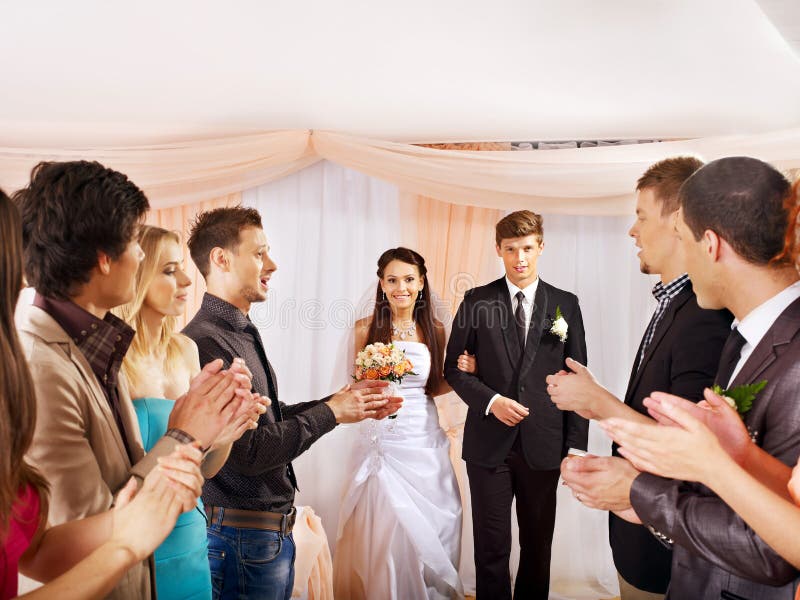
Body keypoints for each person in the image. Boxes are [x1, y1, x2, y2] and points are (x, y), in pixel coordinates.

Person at [562, 157, 800, 599]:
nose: (684, 259)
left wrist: (639, 493)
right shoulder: (741, 335)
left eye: (684, 240)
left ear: (709, 245)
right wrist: (738, 454)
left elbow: (775, 548)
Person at [14, 161, 248, 599]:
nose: (139, 257)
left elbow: (127, 479)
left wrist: (213, 430)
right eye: (134, 244)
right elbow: (87, 536)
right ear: (105, 258)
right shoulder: (41, 368)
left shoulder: (99, 344)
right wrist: (183, 434)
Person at [182, 206, 401, 600]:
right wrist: (331, 413)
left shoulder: (239, 331)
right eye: (259, 253)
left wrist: (340, 402)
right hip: (241, 539)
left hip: (257, 536)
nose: (273, 264)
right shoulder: (207, 341)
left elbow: (268, 419)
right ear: (221, 259)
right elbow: (248, 453)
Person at [544, 157, 732, 599]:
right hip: (639, 536)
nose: (633, 231)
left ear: (679, 222)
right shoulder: (673, 304)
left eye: (641, 216)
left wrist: (596, 401)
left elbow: (691, 446)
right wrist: (594, 397)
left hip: (669, 549)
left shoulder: (705, 316)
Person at [115, 225, 267, 600]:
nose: (186, 279)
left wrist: (228, 428)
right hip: (137, 534)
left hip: (190, 529)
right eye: (170, 270)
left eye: (182, 267)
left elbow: (206, 467)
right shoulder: (114, 358)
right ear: (137, 273)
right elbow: (116, 483)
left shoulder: (184, 349)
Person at [444, 210, 588, 599]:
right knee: (491, 548)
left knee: (538, 547)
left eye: (527, 248)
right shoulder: (477, 300)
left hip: (545, 443)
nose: (520, 258)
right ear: (499, 250)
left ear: (540, 247)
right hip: (488, 445)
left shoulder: (566, 304)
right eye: (511, 249)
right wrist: (491, 401)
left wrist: (575, 445)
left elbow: (578, 377)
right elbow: (453, 369)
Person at [333, 247, 465, 600]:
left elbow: (435, 386)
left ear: (421, 283)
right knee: (385, 522)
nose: (400, 287)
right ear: (382, 284)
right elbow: (354, 385)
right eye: (392, 280)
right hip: (382, 436)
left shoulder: (434, 329)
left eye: (408, 279)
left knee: (437, 516)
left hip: (421, 434)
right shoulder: (364, 329)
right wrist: (374, 382)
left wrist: (464, 373)